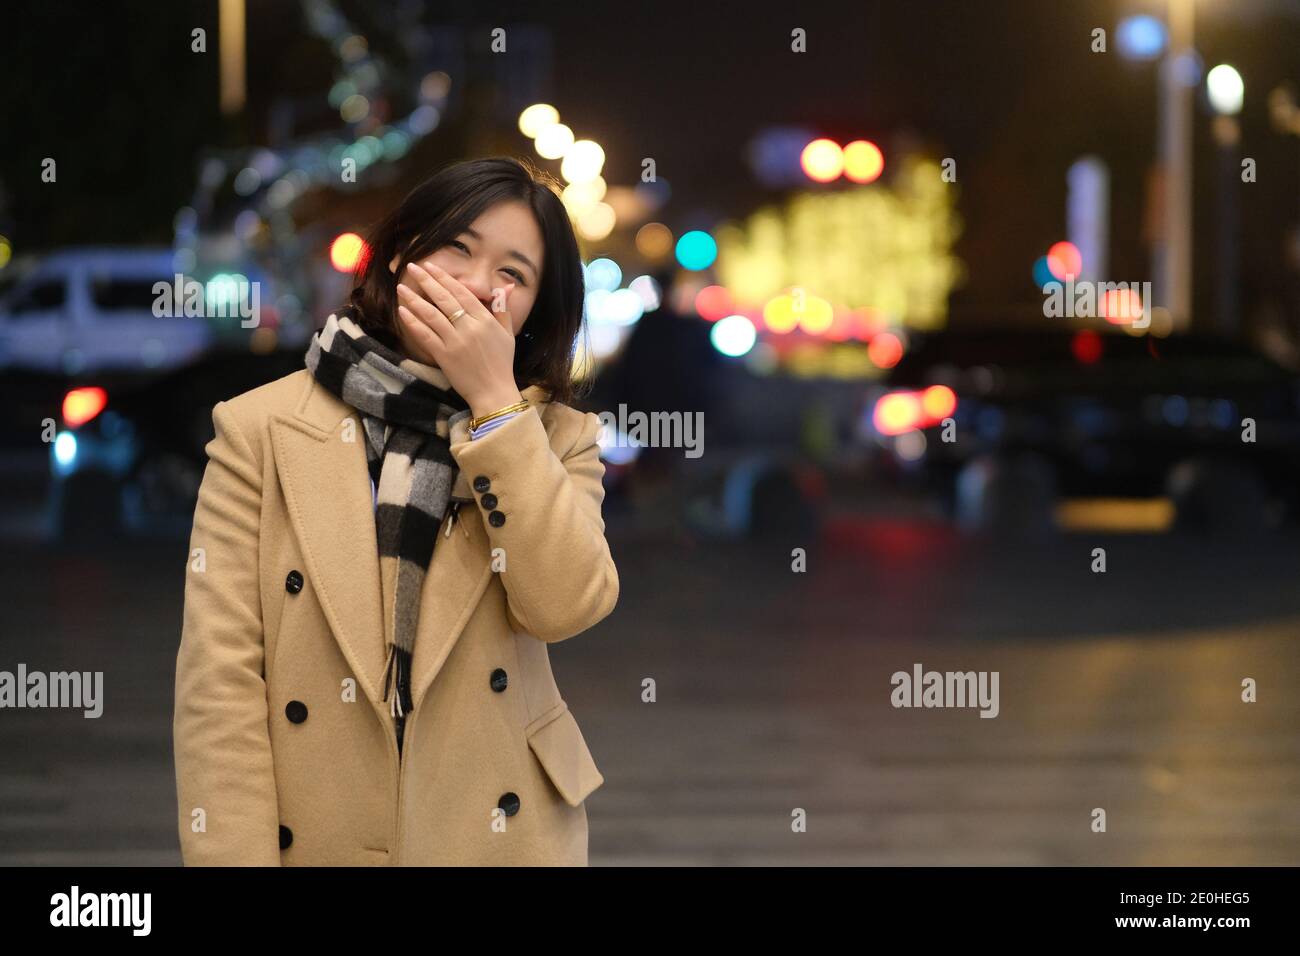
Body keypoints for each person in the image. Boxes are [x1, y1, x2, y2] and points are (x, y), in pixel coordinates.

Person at [173, 156, 619, 865]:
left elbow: (564, 605)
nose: (478, 286)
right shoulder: (259, 429)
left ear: (538, 310)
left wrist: (496, 410)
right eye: (459, 248)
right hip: (317, 834)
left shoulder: (558, 439)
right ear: (403, 254)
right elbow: (219, 684)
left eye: (514, 274)